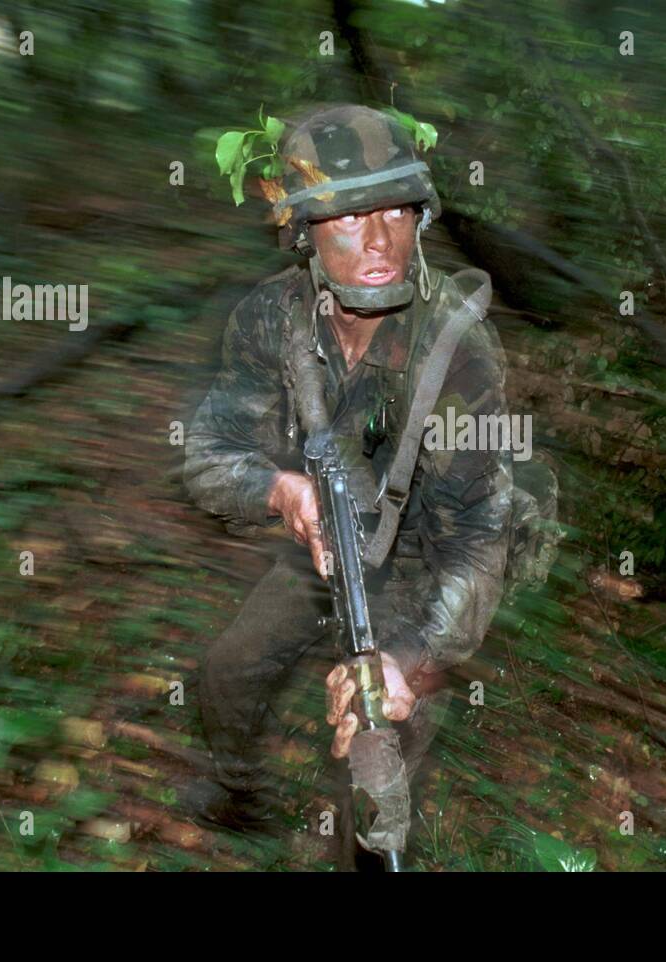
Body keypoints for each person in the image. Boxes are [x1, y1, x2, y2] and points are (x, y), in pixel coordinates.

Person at [181, 104, 514, 867]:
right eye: (348, 219)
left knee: (373, 770)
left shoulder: (459, 351)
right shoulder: (272, 319)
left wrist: (411, 661)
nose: (379, 242)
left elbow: (477, 533)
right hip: (325, 545)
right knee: (227, 673)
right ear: (304, 235)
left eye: (397, 212)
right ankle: (236, 792)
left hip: (425, 570)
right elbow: (209, 449)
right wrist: (280, 493)